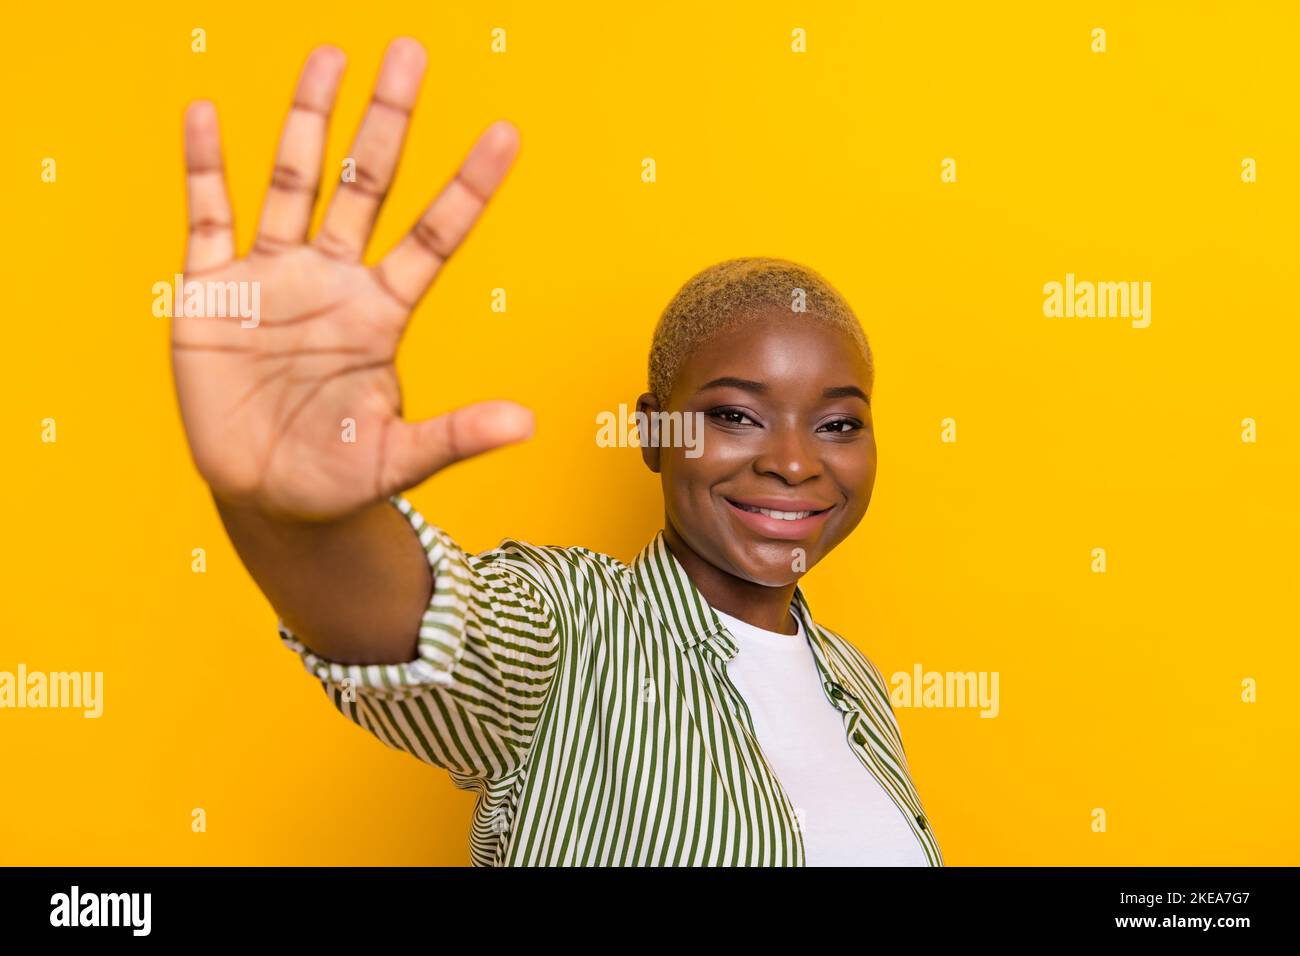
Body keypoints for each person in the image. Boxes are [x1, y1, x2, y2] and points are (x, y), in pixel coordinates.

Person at [171, 37, 943, 867]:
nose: (795, 462)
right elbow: (422, 630)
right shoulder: (572, 632)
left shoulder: (857, 688)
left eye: (838, 424)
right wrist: (303, 517)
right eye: (736, 416)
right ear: (653, 433)